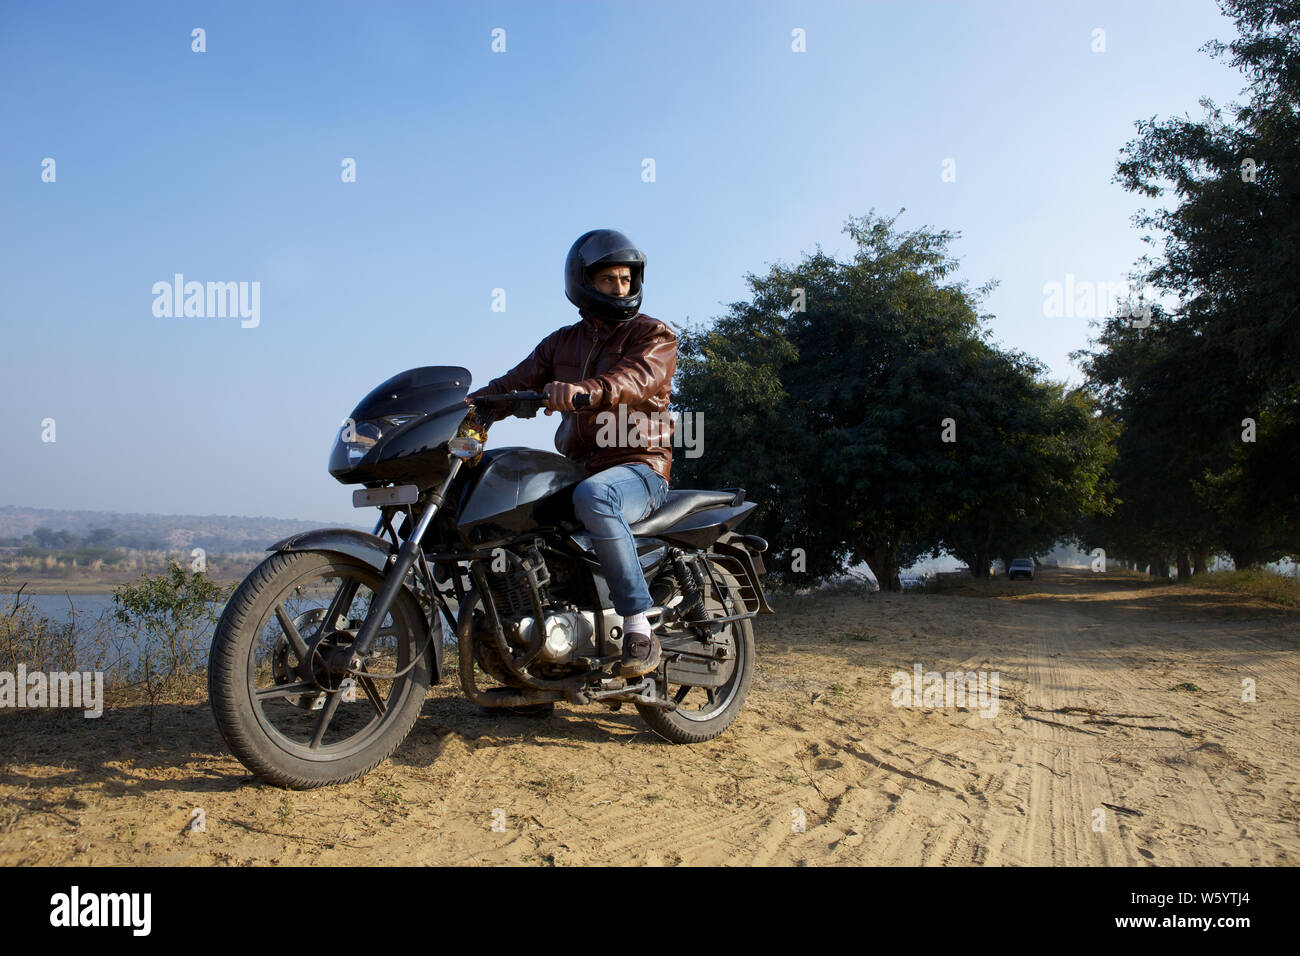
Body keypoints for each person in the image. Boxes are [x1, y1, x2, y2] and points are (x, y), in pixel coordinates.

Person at [466, 229, 677, 677]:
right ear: (584, 281)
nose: (621, 288)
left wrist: (585, 391)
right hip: (579, 468)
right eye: (609, 280)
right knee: (509, 507)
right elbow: (513, 383)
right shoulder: (561, 344)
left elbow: (634, 380)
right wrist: (471, 409)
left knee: (596, 497)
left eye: (626, 279)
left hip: (639, 468)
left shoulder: (654, 336)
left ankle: (639, 626)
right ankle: (533, 660)